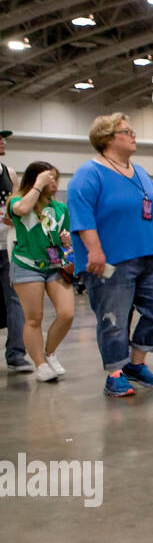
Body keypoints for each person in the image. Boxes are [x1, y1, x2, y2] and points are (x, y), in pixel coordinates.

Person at [68, 113, 153, 397]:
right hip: (111, 260)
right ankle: (115, 373)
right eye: (127, 131)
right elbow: (81, 217)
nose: (133, 135)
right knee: (114, 317)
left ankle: (136, 364)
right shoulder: (88, 174)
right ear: (107, 139)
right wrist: (95, 250)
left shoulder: (140, 172)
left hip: (152, 254)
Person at [6, 162, 75, 382]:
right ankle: (40, 364)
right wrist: (38, 186)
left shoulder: (60, 208)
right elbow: (22, 210)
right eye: (50, 179)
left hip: (55, 265)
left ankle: (50, 352)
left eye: (56, 178)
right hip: (27, 265)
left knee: (67, 313)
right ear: (36, 179)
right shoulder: (18, 201)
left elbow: (68, 237)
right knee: (34, 318)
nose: (54, 183)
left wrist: (67, 241)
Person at [0, 129, 34, 373]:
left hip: (5, 245)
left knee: (15, 298)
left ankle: (16, 353)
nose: (3, 142)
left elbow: (15, 203)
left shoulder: (9, 172)